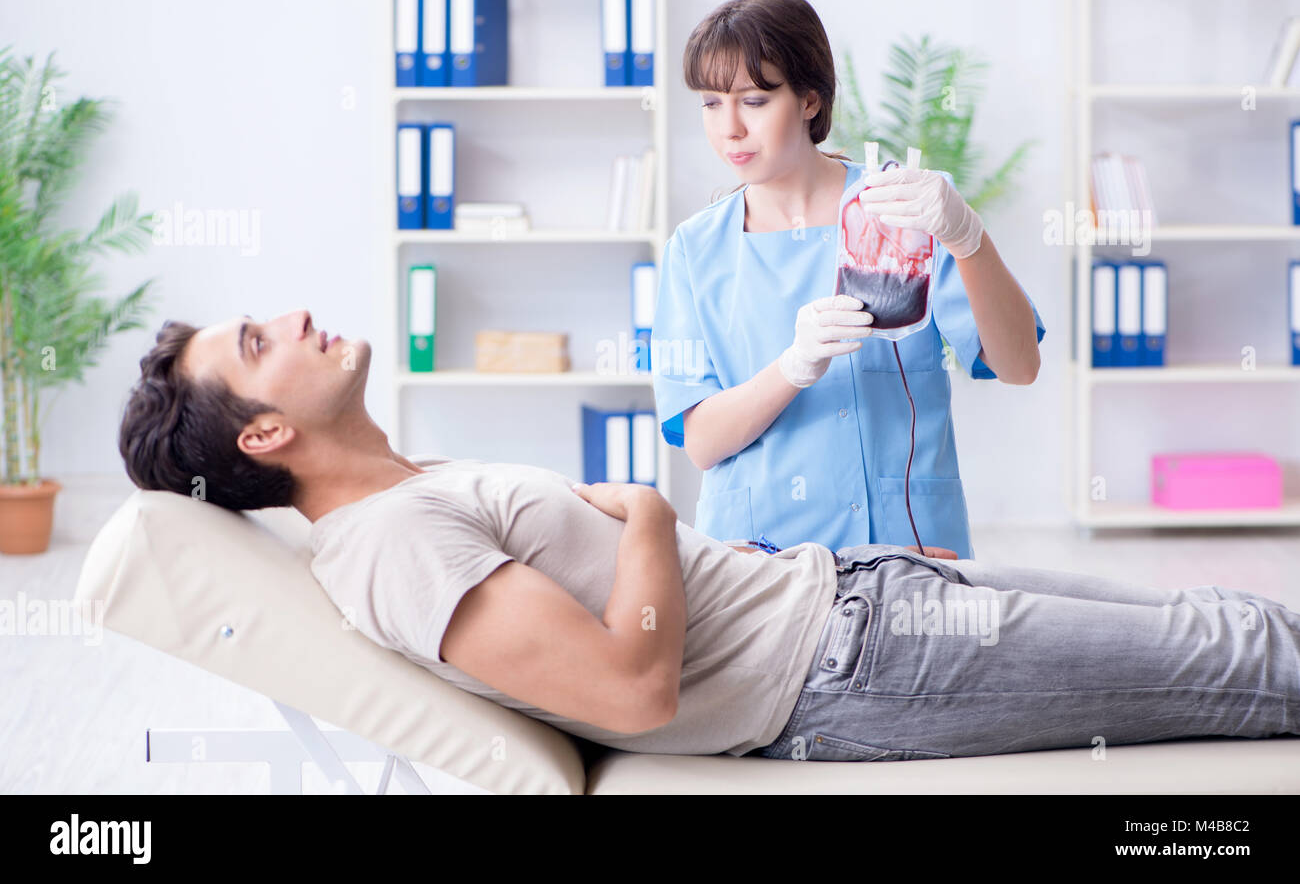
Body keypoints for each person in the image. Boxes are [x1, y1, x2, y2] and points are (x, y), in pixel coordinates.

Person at [115, 310, 1300, 760]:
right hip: (851, 667)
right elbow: (630, 690)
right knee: (1242, 662)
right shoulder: (386, 546)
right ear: (264, 436)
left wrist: (831, 567)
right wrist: (647, 509)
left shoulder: (410, 485)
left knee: (1236, 625)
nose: (297, 318)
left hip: (852, 599)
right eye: (260, 343)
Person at [652, 0, 1045, 560]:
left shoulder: (902, 208)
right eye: (711, 103)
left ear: (810, 100)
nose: (729, 128)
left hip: (906, 549)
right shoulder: (694, 250)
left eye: (755, 100)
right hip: (761, 564)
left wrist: (969, 240)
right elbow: (703, 443)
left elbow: (1020, 365)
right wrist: (793, 367)